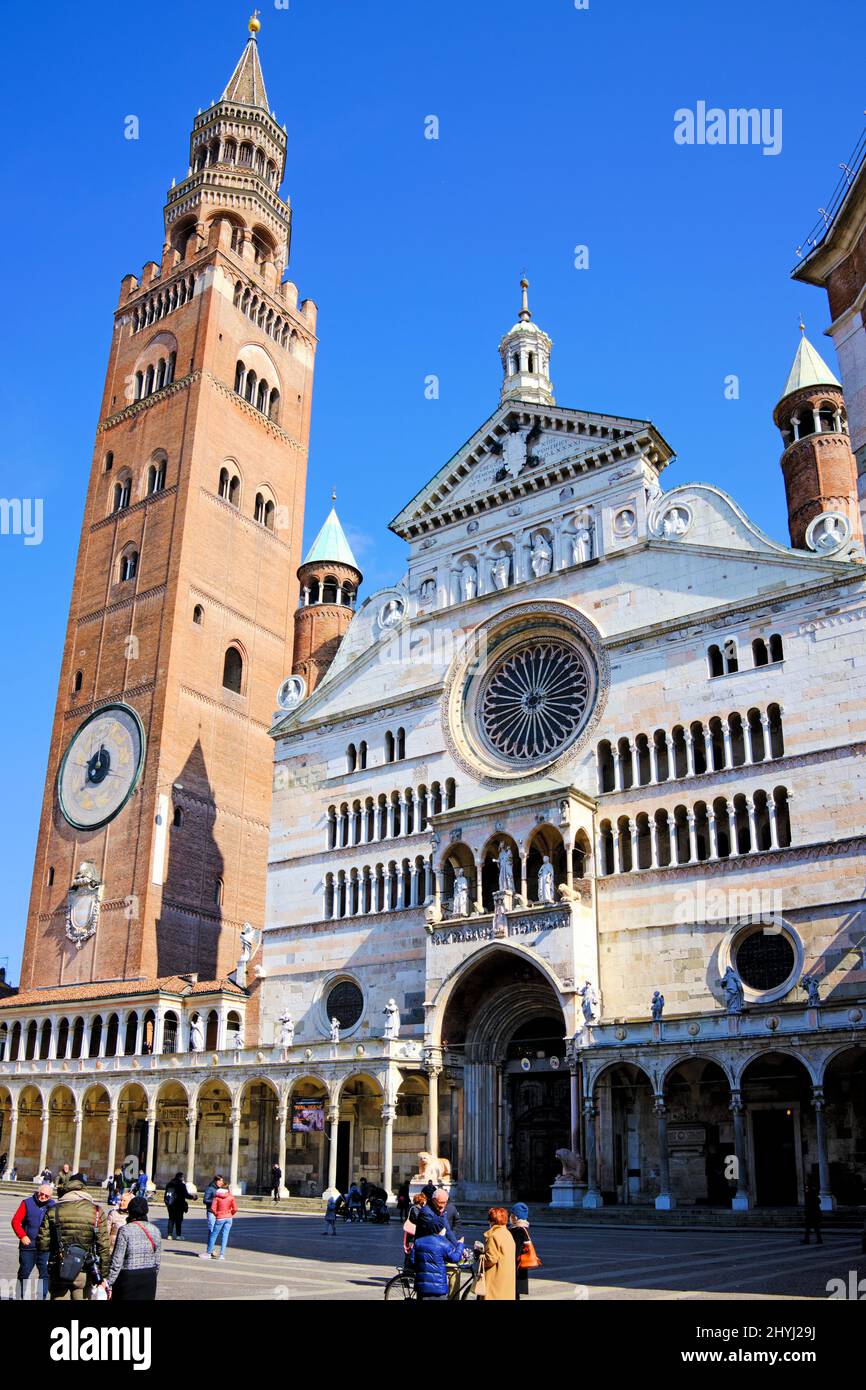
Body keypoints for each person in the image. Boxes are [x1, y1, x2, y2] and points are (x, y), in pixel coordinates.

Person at [37, 1172, 110, 1301]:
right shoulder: (97, 1211)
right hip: (84, 1269)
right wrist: (103, 1275)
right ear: (84, 1188)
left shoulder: (54, 1209)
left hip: (59, 1267)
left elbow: (42, 1243)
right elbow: (103, 1245)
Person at [107, 1196, 161, 1300]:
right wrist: (152, 1276)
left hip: (128, 1278)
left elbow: (117, 1261)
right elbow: (157, 1261)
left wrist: (109, 1282)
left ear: (130, 1210)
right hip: (149, 1278)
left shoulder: (125, 1230)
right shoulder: (155, 1230)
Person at [12, 1182, 55, 1300]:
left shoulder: (53, 1206)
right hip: (28, 1247)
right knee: (24, 1273)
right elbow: (15, 1221)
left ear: (50, 1197)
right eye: (42, 1194)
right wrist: (22, 1236)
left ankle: (41, 1297)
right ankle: (19, 1296)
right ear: (37, 1192)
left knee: (45, 1275)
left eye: (47, 1196)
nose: (43, 1197)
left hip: (45, 1247)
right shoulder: (27, 1203)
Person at [411, 1230, 466, 1301]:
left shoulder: (418, 1242)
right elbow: (455, 1258)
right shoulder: (443, 1244)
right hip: (439, 1289)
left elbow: (412, 1261)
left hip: (422, 1289)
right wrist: (460, 1245)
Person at [482, 1207, 517, 1301]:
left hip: (495, 1279)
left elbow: (491, 1259)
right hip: (506, 1278)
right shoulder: (507, 1233)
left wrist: (481, 1257)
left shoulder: (494, 1235)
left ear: (492, 1221)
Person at [509, 1203, 539, 1299]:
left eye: (511, 1215)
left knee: (513, 1293)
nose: (510, 1217)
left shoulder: (517, 1230)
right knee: (515, 1294)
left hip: (515, 1268)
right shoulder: (523, 1228)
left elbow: (515, 1252)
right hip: (520, 1267)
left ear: (515, 1217)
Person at [205, 1183, 237, 1260]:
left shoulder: (217, 1197)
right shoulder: (231, 1197)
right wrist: (230, 1214)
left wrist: (217, 1214)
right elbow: (235, 1208)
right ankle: (222, 1255)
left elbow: (213, 1208)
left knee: (213, 1235)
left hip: (220, 1217)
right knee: (225, 1236)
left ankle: (209, 1253)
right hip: (229, 1218)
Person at [164, 1171, 190, 1240]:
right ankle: (178, 1235)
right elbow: (186, 1195)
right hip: (179, 1205)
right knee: (178, 1220)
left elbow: (166, 1194)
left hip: (170, 1204)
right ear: (180, 1177)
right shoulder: (181, 1185)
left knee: (171, 1219)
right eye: (183, 1177)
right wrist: (193, 1197)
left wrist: (167, 1203)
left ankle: (169, 1235)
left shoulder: (169, 1184)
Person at [802, 1178, 823, 1246]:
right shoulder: (813, 1194)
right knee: (815, 1227)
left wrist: (806, 1213)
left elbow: (808, 1205)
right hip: (815, 1213)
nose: (806, 1189)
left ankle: (807, 1240)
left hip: (811, 1214)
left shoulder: (809, 1195)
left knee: (809, 1228)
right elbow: (819, 1201)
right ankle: (817, 1239)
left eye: (807, 1188)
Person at [202, 1174, 222, 1243]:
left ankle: (211, 1247)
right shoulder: (210, 1188)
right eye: (220, 1181)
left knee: (216, 1231)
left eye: (222, 1181)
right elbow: (205, 1200)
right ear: (216, 1181)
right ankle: (210, 1248)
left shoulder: (220, 1189)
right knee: (212, 1229)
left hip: (218, 1212)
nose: (221, 1182)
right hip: (211, 1212)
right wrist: (215, 1201)